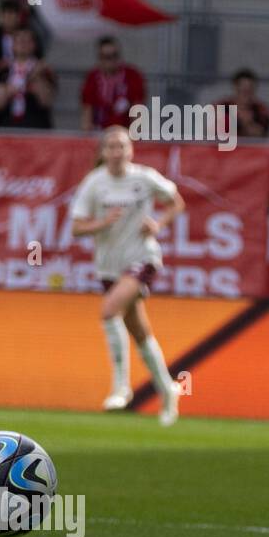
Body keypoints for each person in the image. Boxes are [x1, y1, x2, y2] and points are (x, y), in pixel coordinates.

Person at [69, 126, 186, 426]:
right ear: (103, 152)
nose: (118, 152)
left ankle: (121, 387)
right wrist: (102, 223)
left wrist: (159, 224)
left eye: (123, 146)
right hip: (109, 266)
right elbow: (77, 227)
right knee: (139, 331)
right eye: (111, 147)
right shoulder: (95, 184)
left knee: (109, 312)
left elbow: (176, 202)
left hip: (142, 258)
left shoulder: (144, 178)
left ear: (131, 151)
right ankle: (168, 390)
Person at [0, 27, 55, 129]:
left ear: (34, 44)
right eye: (18, 40)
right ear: (12, 45)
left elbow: (46, 101)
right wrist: (9, 89)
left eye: (27, 41)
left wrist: (36, 78)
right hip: (6, 126)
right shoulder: (1, 68)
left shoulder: (43, 69)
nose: (22, 44)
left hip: (36, 126)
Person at [80, 36, 145, 131]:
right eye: (107, 57)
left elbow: (138, 111)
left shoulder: (132, 76)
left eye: (115, 55)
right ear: (100, 58)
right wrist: (87, 137)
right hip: (99, 133)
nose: (112, 61)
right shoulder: (92, 78)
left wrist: (135, 135)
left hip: (124, 133)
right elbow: (87, 111)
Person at [213, 68, 269, 139]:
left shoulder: (261, 109)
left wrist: (242, 123)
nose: (246, 94)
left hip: (251, 148)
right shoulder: (221, 106)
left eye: (249, 90)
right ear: (235, 87)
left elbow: (260, 133)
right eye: (243, 90)